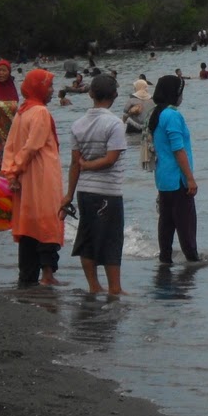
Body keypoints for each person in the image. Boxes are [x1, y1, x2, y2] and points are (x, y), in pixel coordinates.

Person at [65, 74, 128, 295]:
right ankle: (115, 288)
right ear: (115, 96)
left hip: (84, 191)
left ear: (90, 94)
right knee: (112, 239)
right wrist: (88, 165)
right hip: (108, 191)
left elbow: (74, 163)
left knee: (88, 237)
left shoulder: (78, 124)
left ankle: (94, 286)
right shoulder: (115, 124)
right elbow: (111, 160)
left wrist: (68, 195)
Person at [1, 68, 64, 286]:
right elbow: (32, 146)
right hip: (42, 175)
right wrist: (16, 169)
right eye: (49, 87)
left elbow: (9, 147)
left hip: (24, 177)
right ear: (39, 88)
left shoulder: (22, 112)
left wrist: (11, 172)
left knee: (28, 224)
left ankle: (27, 275)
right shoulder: (40, 112)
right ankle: (47, 274)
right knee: (48, 221)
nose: (52, 91)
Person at [150, 73, 199, 263]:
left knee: (166, 223)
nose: (182, 97)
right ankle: (192, 261)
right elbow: (178, 149)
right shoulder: (172, 115)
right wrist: (190, 179)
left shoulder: (156, 113)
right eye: (181, 92)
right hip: (178, 179)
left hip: (163, 178)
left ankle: (165, 260)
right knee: (186, 226)